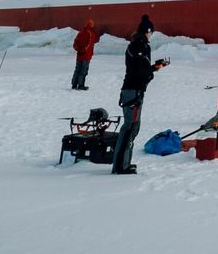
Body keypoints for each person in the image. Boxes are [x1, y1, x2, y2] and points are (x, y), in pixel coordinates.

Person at [112, 15, 168, 175]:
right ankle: (120, 166)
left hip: (133, 90)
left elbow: (139, 68)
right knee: (129, 128)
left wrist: (153, 68)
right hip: (133, 91)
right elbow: (139, 70)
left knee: (133, 128)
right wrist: (150, 73)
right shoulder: (139, 46)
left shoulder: (137, 45)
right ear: (148, 31)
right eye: (151, 32)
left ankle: (124, 163)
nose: (151, 35)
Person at [71, 18, 99, 90]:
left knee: (77, 70)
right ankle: (81, 85)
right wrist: (83, 50)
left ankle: (74, 84)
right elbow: (91, 43)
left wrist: (79, 50)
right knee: (83, 70)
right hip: (86, 55)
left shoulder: (80, 32)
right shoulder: (91, 33)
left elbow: (75, 43)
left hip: (79, 55)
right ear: (91, 25)